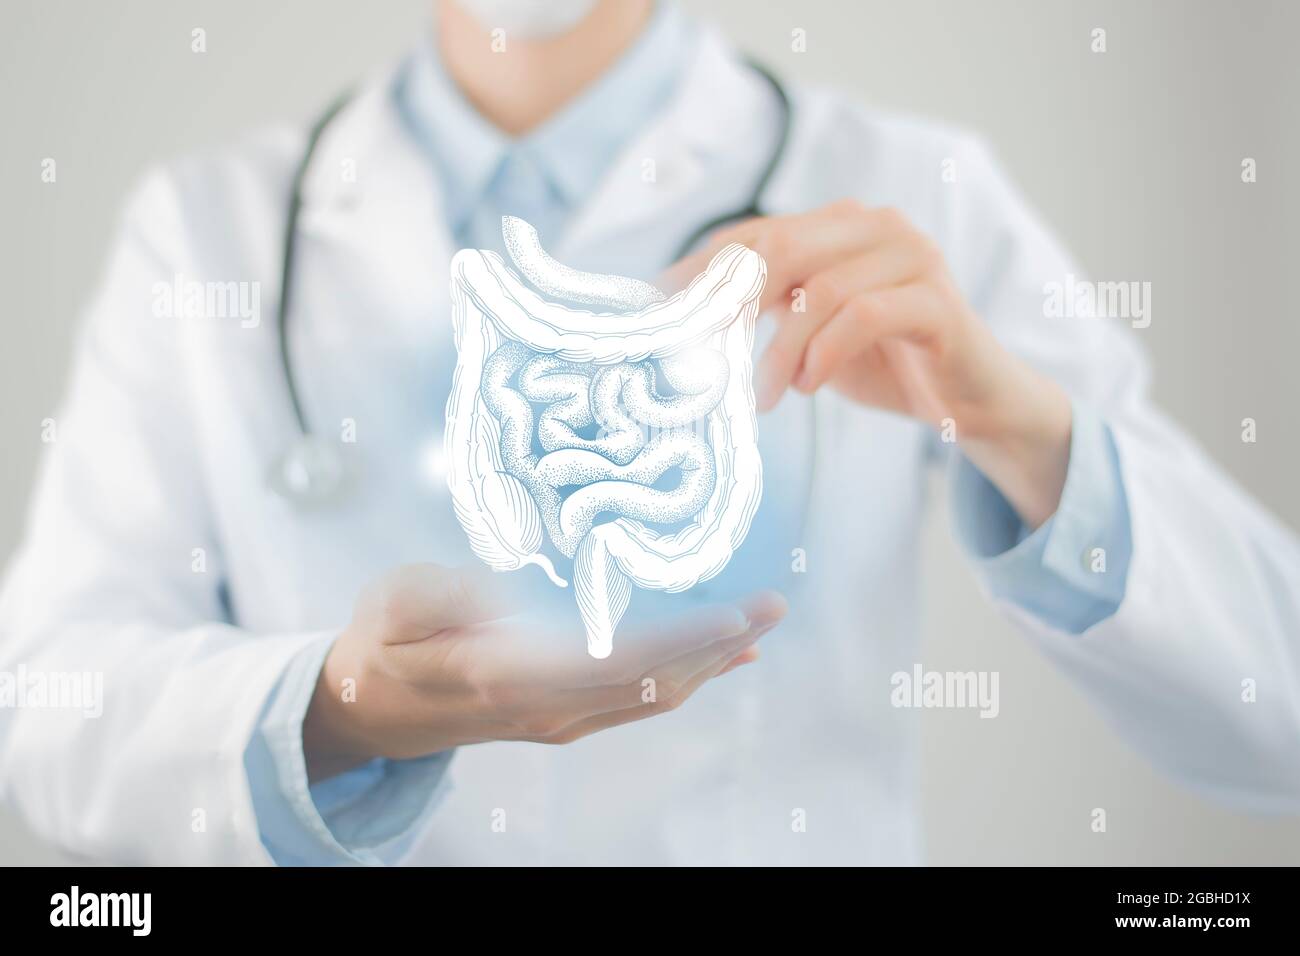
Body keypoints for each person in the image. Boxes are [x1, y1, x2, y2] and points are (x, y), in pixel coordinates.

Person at [1, 0, 1297, 866]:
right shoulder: (209, 227)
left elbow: (1274, 714)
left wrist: (1026, 433)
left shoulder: (908, 189)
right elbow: (43, 710)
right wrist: (339, 711)